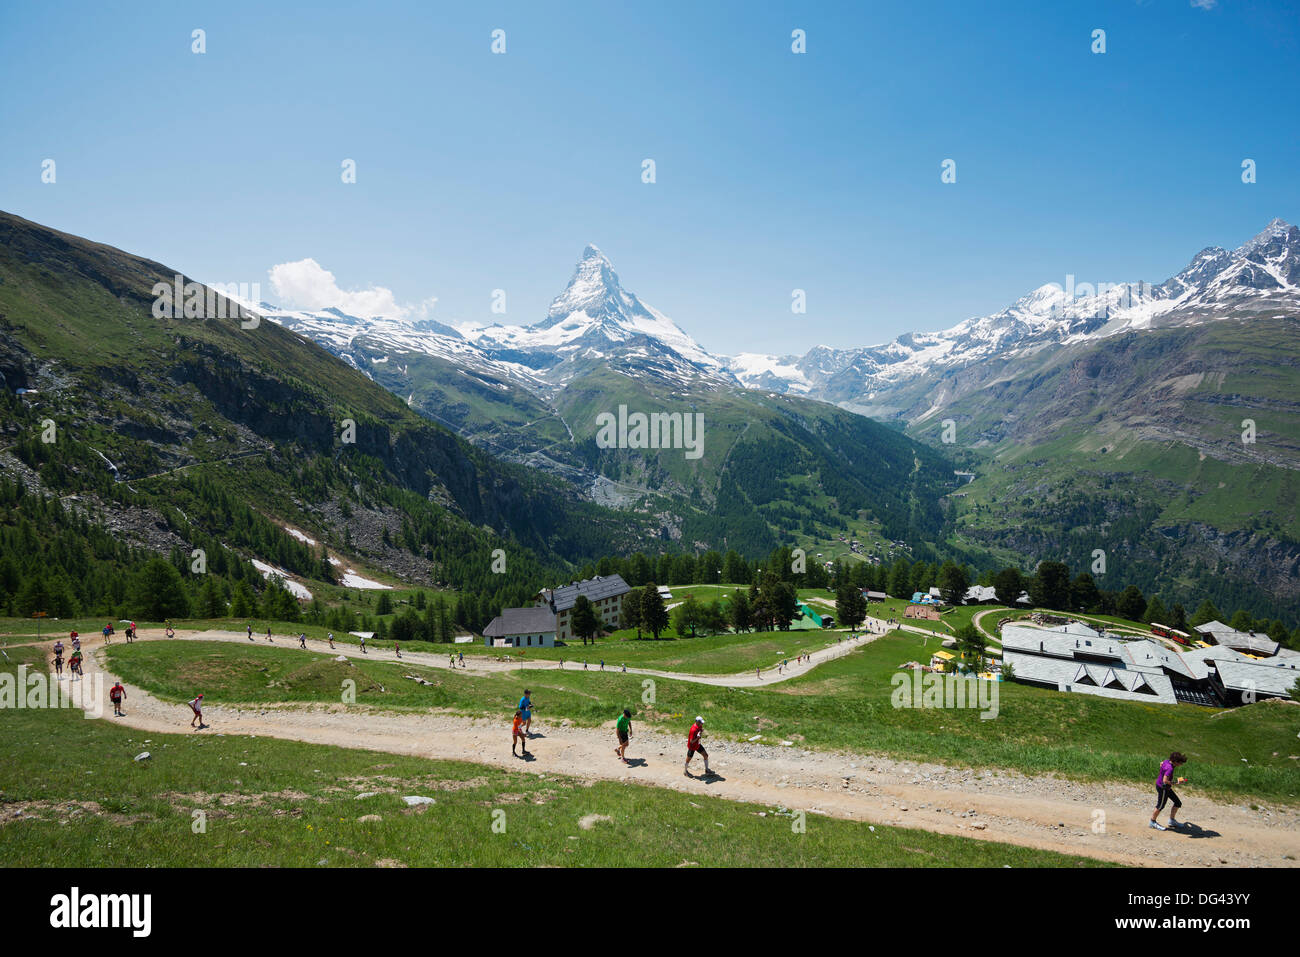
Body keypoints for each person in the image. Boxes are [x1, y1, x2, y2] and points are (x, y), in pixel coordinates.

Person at [1150, 751, 1188, 830]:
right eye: (1180, 763)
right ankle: (1152, 822)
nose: (1181, 765)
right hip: (1163, 788)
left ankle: (1172, 821)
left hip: (1164, 786)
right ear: (1175, 761)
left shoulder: (1167, 761)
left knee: (1178, 803)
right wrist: (1176, 782)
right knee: (1160, 806)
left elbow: (1161, 763)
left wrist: (1162, 768)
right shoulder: (1170, 768)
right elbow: (1165, 780)